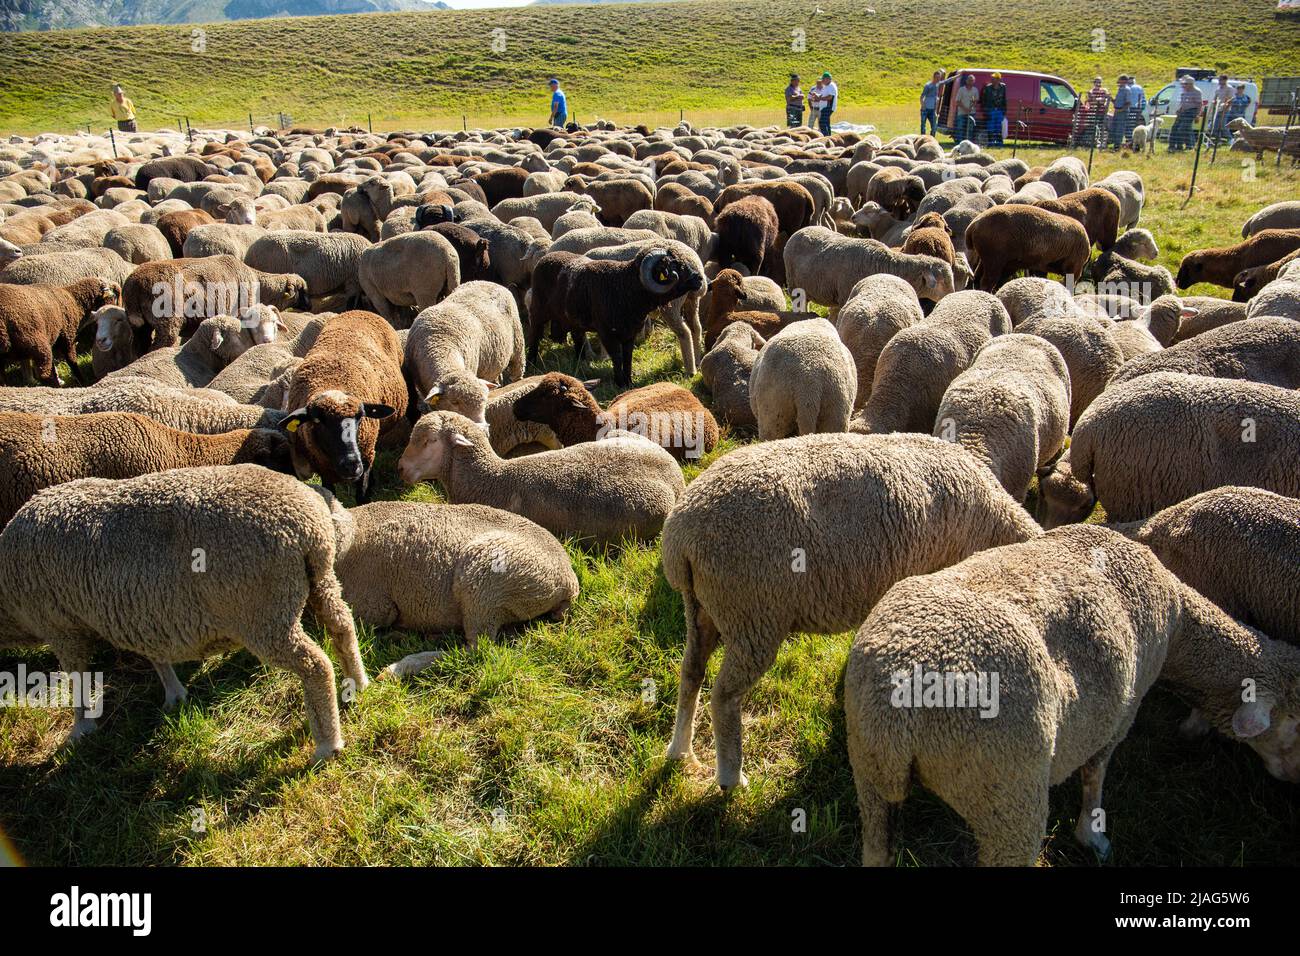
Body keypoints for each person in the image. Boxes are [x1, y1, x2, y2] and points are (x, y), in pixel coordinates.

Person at [1168, 75, 1203, 152]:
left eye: (1186, 84)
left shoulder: (1197, 92)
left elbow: (1199, 104)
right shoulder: (1184, 91)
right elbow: (1183, 102)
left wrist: (1197, 115)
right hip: (1183, 111)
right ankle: (1172, 146)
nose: (1184, 85)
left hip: (1191, 111)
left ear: (1191, 84)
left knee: (1182, 129)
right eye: (1184, 84)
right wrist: (1179, 110)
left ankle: (1180, 146)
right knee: (1175, 128)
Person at [980, 72, 1007, 146]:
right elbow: (983, 100)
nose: (992, 79)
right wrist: (985, 110)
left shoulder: (1003, 87)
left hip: (999, 110)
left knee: (999, 128)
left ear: (999, 79)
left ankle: (999, 144)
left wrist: (1004, 112)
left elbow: (1004, 99)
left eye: (994, 78)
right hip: (990, 110)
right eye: (992, 78)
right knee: (990, 128)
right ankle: (991, 144)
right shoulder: (988, 88)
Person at [1084, 76, 1110, 147]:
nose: (1098, 84)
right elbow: (1090, 100)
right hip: (1093, 112)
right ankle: (1093, 142)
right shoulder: (1091, 91)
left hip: (1102, 112)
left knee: (1103, 128)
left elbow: (1106, 98)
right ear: (1094, 83)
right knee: (1093, 127)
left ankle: (1103, 143)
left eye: (1100, 82)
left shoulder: (1104, 90)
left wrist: (1096, 100)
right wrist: (1099, 100)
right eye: (1097, 82)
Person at [954, 73, 979, 144]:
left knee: (970, 130)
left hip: (971, 113)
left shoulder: (975, 90)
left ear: (974, 81)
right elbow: (957, 101)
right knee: (960, 129)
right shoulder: (961, 90)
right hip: (961, 113)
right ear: (966, 81)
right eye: (969, 80)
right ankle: (959, 144)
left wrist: (971, 107)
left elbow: (976, 101)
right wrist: (965, 109)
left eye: (972, 80)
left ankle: (968, 144)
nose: (970, 82)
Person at [1108, 75, 1130, 149]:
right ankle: (1113, 144)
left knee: (1120, 129)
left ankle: (1117, 146)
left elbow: (1128, 103)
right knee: (1114, 127)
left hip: (1122, 112)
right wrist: (1111, 99)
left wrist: (1120, 110)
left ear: (1124, 81)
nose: (1118, 82)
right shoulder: (1120, 89)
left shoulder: (1127, 90)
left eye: (1120, 80)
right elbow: (1117, 102)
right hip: (1117, 111)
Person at [1210, 74, 1233, 144]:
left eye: (1221, 80)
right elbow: (1216, 97)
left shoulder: (1229, 88)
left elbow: (1231, 99)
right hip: (1218, 109)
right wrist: (1214, 102)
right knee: (1216, 125)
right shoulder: (1218, 88)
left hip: (1225, 109)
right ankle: (1218, 140)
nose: (1219, 81)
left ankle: (1230, 139)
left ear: (1225, 80)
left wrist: (1226, 108)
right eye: (1219, 80)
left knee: (1223, 125)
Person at [920, 70, 943, 136]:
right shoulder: (928, 86)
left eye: (939, 78)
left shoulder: (938, 84)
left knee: (934, 127)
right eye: (937, 78)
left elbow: (947, 81)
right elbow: (922, 96)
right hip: (925, 109)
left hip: (933, 110)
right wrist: (923, 105)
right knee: (923, 126)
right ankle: (922, 139)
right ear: (933, 77)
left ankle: (932, 140)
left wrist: (957, 76)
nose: (938, 79)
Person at [815, 71, 838, 136]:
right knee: (826, 123)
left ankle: (825, 136)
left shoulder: (831, 86)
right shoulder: (827, 86)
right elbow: (825, 95)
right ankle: (828, 136)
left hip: (828, 107)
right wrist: (817, 96)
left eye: (823, 79)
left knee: (822, 122)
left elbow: (830, 97)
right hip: (825, 107)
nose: (822, 80)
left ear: (827, 79)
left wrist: (820, 98)